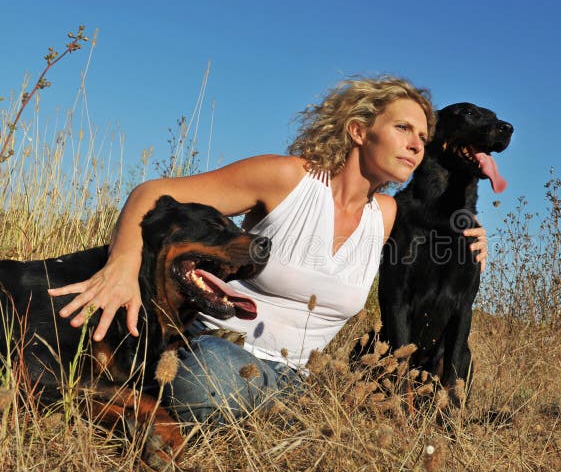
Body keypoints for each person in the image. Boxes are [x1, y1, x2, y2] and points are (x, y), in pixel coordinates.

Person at [48, 76, 489, 423]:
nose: (417, 143)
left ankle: (290, 414)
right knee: (204, 383)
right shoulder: (285, 178)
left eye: (423, 135)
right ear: (358, 130)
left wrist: (473, 242)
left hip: (302, 380)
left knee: (341, 410)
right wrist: (121, 264)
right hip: (219, 352)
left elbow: (437, 248)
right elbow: (155, 193)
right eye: (403, 128)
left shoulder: (389, 214)